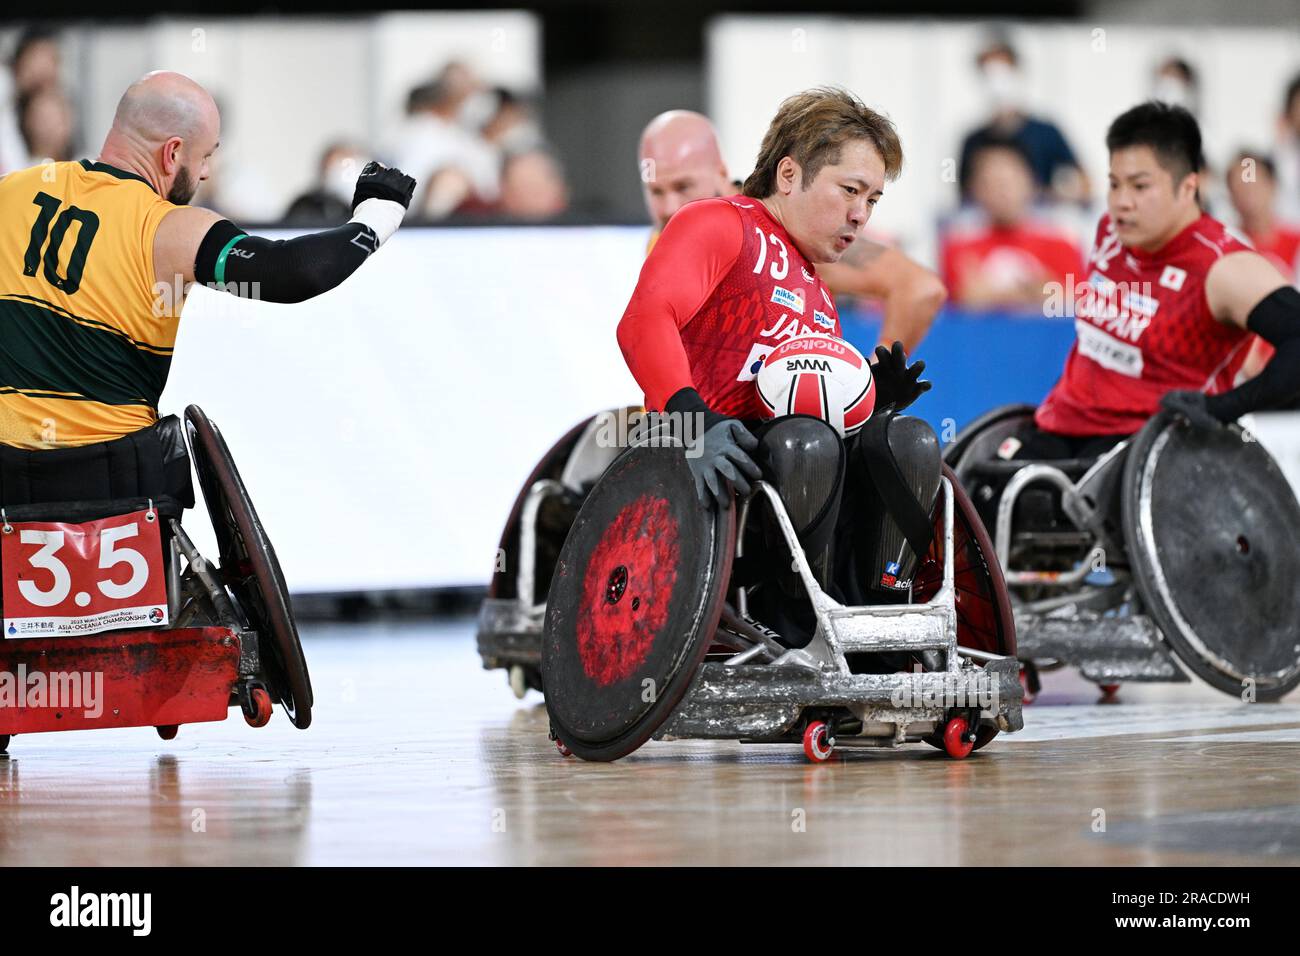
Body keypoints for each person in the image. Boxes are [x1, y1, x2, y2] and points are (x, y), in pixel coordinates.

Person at [617, 88, 935, 626]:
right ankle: (795, 622)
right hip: (707, 448)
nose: (860, 215)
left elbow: (918, 290)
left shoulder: (816, 280)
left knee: (909, 439)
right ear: (789, 176)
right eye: (850, 191)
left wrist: (870, 400)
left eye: (873, 200)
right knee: (806, 444)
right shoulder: (715, 222)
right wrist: (693, 420)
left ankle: (887, 610)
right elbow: (643, 322)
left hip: (795, 465)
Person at [0, 70, 416, 452]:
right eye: (206, 156)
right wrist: (378, 215)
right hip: (111, 496)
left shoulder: (10, 191)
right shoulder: (169, 229)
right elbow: (291, 272)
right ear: (172, 153)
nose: (204, 174)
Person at [1017, 102, 1300, 460]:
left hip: (1144, 452)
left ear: (1187, 188)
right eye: (1114, 184)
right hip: (1059, 428)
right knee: (965, 490)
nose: (1121, 202)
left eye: (1139, 186)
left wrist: (1221, 409)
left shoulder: (1224, 267)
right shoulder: (1110, 231)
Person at [637, 109, 945, 355]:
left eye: (683, 187)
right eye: (656, 191)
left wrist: (871, 386)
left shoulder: (786, 232)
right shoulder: (660, 241)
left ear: (720, 173)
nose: (668, 206)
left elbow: (920, 288)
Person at [941, 139, 1083, 310]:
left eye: (1009, 181)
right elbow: (962, 301)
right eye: (990, 183)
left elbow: (1076, 303)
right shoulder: (958, 247)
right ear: (974, 189)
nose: (1002, 192)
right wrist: (1034, 291)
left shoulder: (1062, 244)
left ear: (1032, 183)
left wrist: (994, 294)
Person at [957, 38, 1088, 204]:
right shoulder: (973, 140)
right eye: (988, 74)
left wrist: (1057, 194)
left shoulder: (1046, 132)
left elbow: (1085, 183)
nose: (996, 82)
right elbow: (963, 196)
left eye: (1002, 72)